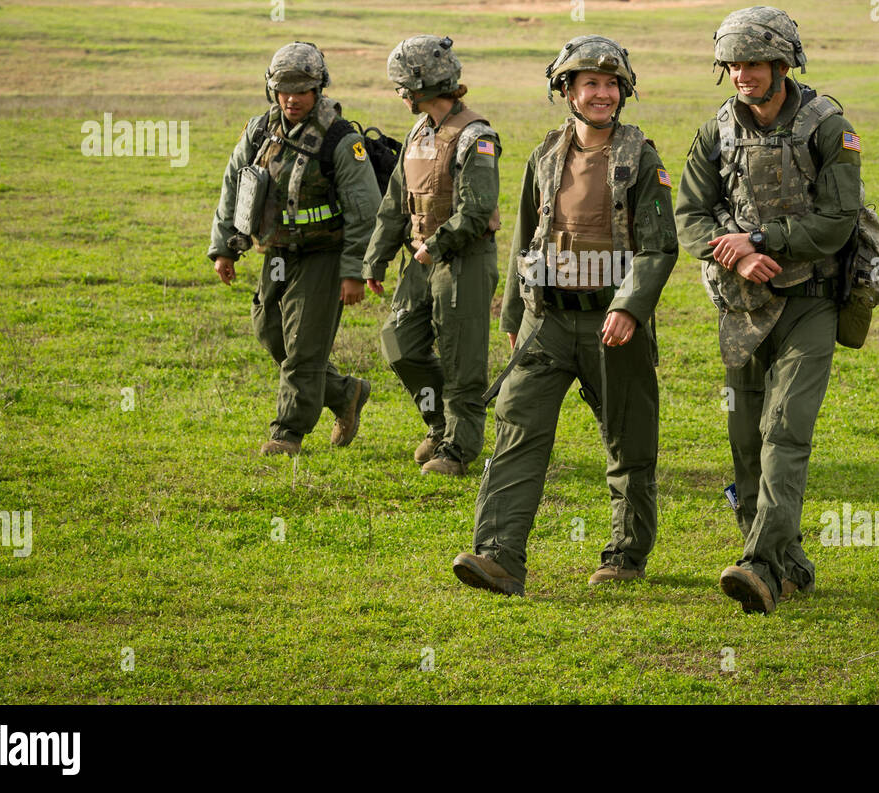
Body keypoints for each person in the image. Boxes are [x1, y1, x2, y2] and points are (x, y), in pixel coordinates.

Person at [452, 35, 678, 597]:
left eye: (611, 84)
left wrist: (630, 307)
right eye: (590, 84)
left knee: (629, 444)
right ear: (567, 91)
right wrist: (511, 315)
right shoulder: (545, 155)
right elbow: (523, 240)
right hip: (545, 322)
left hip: (613, 325)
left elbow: (659, 247)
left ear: (624, 91)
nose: (602, 94)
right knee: (517, 431)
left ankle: (625, 554)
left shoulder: (642, 158)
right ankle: (498, 558)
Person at [674, 7, 862, 613]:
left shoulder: (827, 126)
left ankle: (757, 562)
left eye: (753, 62)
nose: (741, 75)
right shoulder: (716, 132)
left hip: (811, 300)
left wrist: (762, 242)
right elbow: (689, 217)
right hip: (742, 304)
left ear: (783, 63)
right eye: (731, 64)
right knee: (743, 441)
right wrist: (733, 259)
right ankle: (787, 563)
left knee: (785, 431)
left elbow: (837, 222)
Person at [208, 41, 381, 455]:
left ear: (319, 88)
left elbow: (365, 208)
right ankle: (343, 393)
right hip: (278, 252)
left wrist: (354, 270)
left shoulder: (341, 138)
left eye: (302, 89)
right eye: (284, 88)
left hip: (325, 253)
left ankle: (288, 432)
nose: (292, 97)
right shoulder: (259, 130)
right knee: (270, 331)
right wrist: (224, 248)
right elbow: (235, 183)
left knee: (304, 344)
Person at [361, 35, 501, 476]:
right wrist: (375, 259)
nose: (399, 94)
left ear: (418, 87)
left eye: (401, 85)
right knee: (399, 344)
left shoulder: (476, 137)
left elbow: (477, 212)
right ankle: (440, 424)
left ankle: (458, 451)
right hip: (422, 259)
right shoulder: (419, 132)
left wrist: (434, 248)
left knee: (463, 360)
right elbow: (395, 202)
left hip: (464, 260)